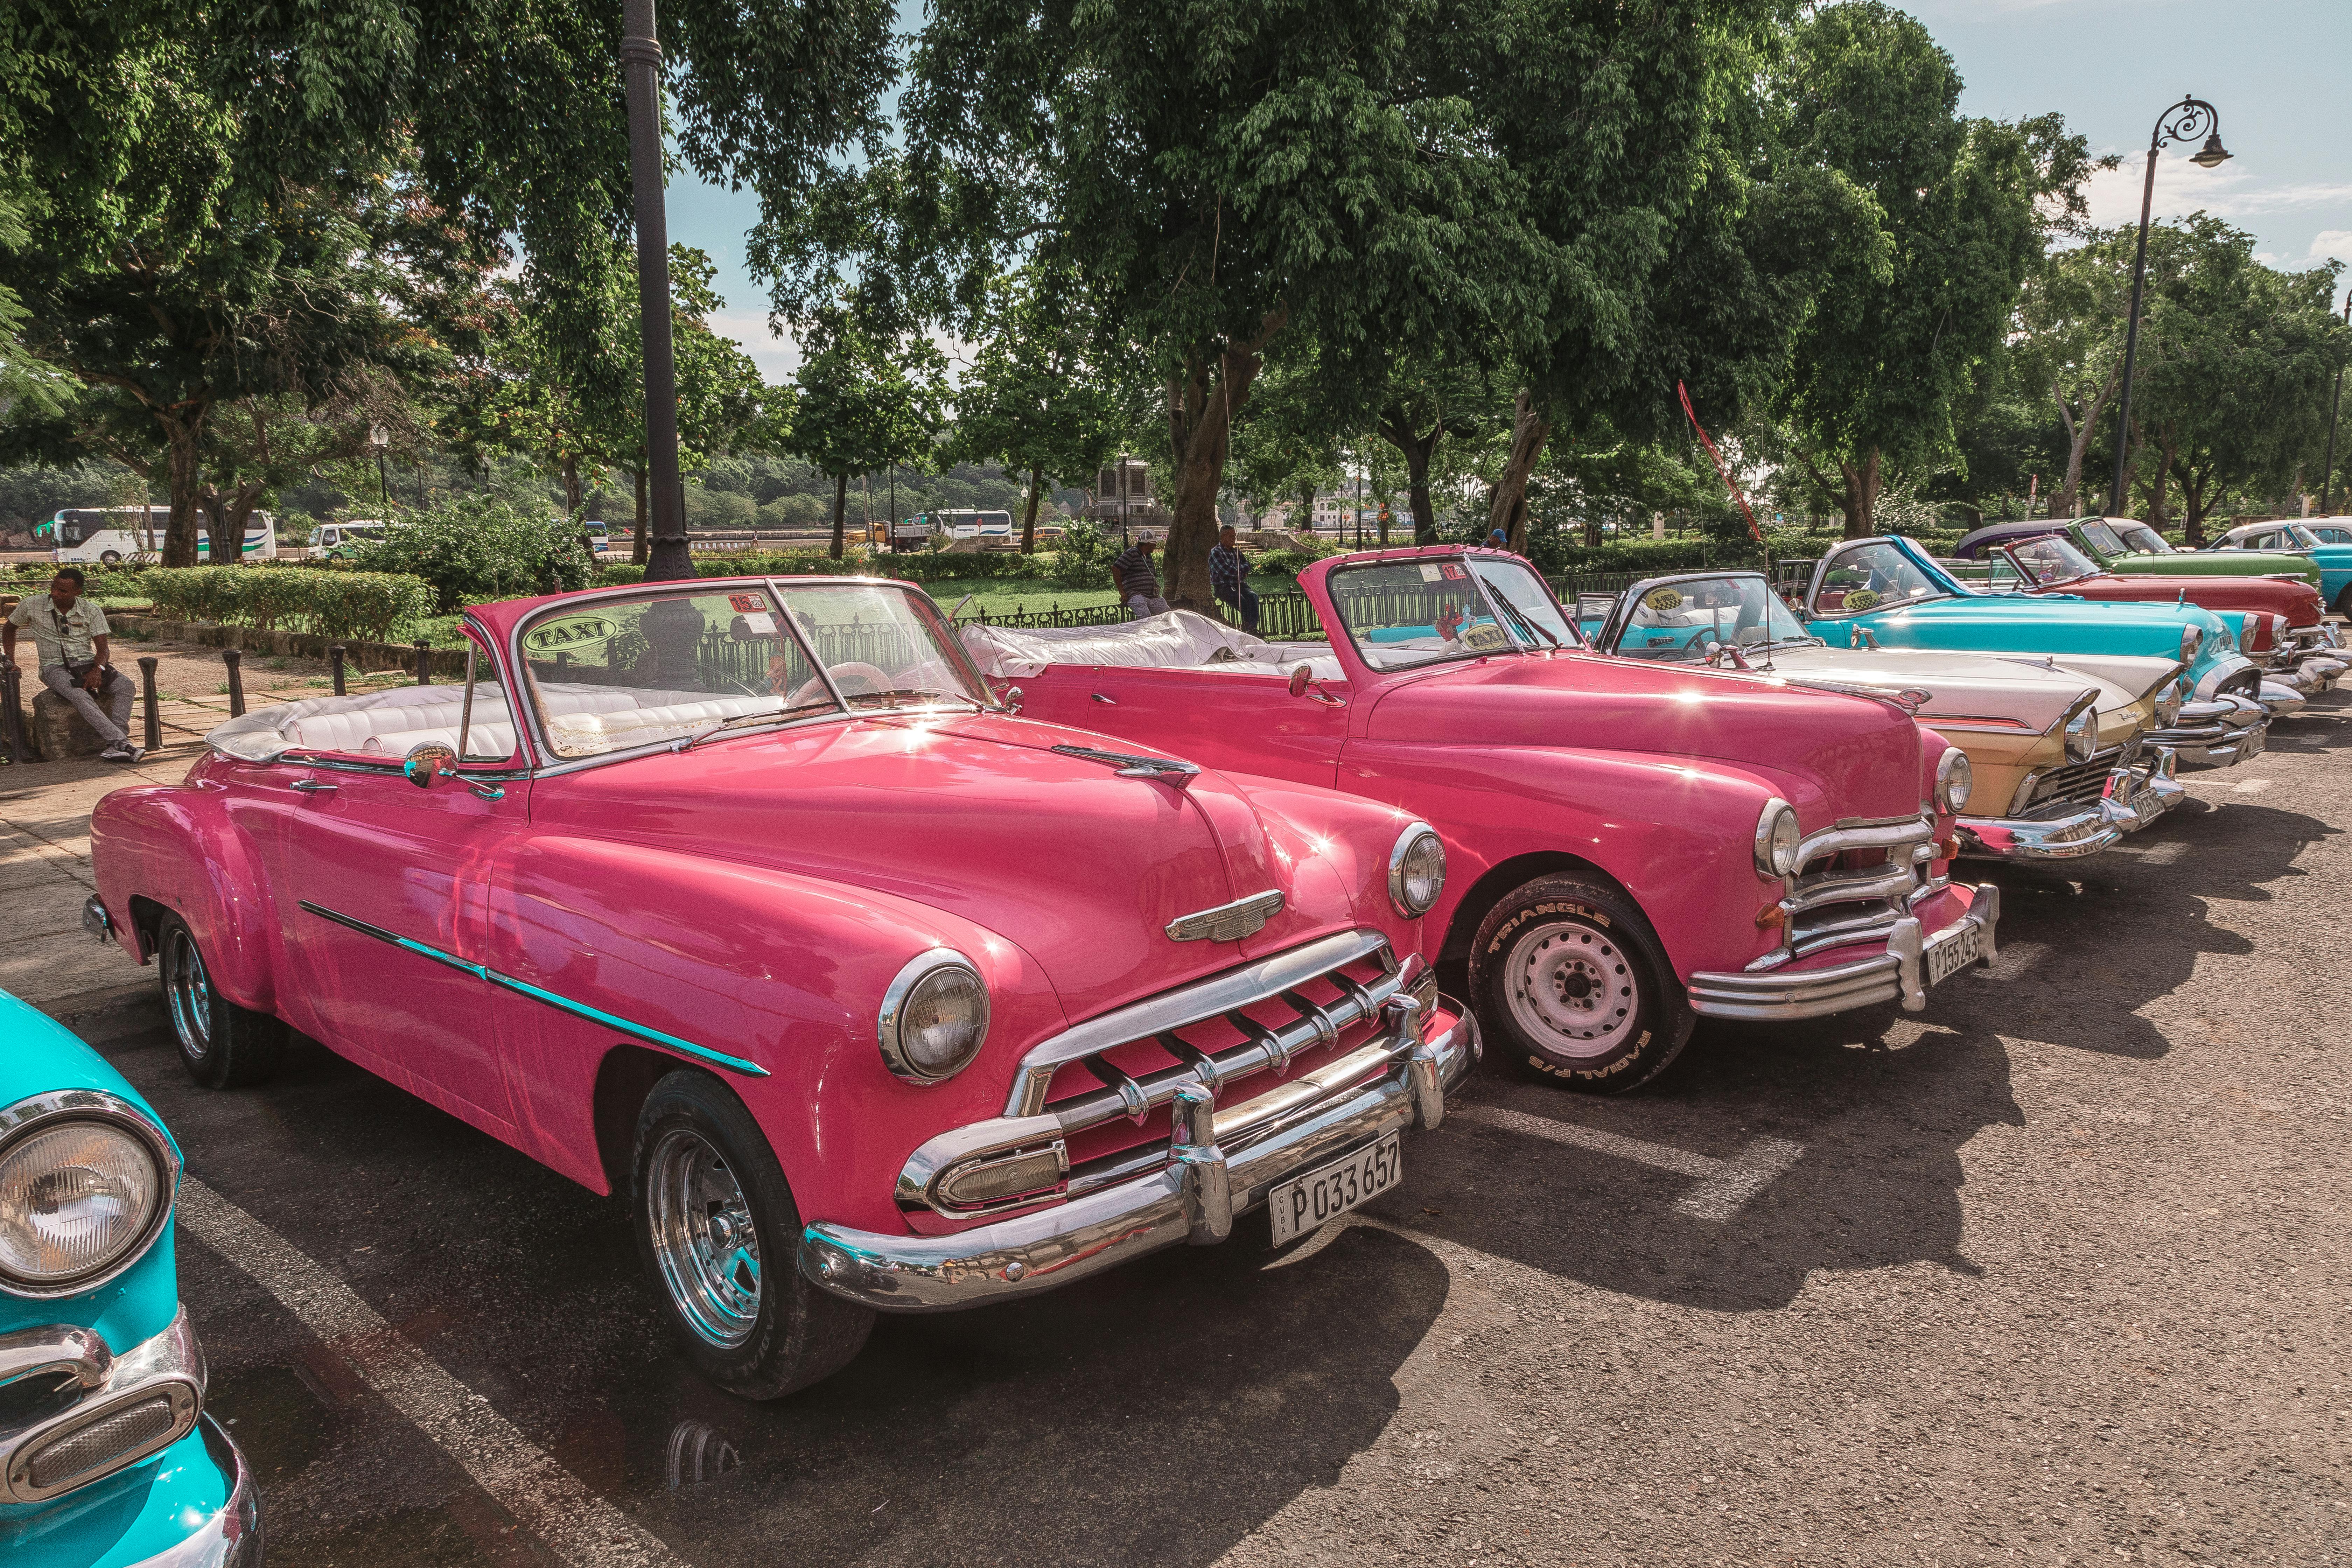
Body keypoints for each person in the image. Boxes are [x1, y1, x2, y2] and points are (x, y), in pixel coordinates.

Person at [4, 567, 142, 762]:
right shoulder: (32, 605)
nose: (55, 593)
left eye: (63, 591)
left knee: (126, 686)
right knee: (80, 695)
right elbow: (10, 629)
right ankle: (121, 743)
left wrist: (98, 669)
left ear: (78, 592)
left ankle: (115, 743)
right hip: (53, 668)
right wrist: (11, 660)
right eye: (53, 588)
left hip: (86, 664)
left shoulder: (91, 610)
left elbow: (103, 649)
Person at [1209, 525, 1259, 632]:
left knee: (1253, 597)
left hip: (1239, 584)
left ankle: (1252, 628)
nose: (1234, 539)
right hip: (1224, 586)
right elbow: (1225, 571)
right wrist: (1241, 572)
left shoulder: (1236, 552)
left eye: (1235, 536)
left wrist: (1237, 571)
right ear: (1223, 537)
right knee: (1243, 603)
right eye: (1231, 537)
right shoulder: (1216, 552)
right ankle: (1249, 629)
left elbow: (1248, 566)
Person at [1112, 531, 1169, 618]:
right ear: (1148, 544)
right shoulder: (1132, 553)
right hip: (1136, 595)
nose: (1156, 546)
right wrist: (1122, 592)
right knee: (1146, 617)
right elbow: (1116, 568)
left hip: (1151, 596)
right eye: (1154, 544)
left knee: (1167, 614)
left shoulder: (1148, 557)